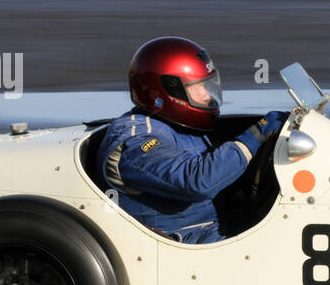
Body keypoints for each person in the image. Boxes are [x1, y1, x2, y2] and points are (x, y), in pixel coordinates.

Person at [97, 36, 288, 243]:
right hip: (187, 244)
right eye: (198, 87)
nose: (207, 95)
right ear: (167, 91)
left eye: (208, 85)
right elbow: (196, 181)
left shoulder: (177, 125)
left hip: (217, 226)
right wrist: (257, 134)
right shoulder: (136, 141)